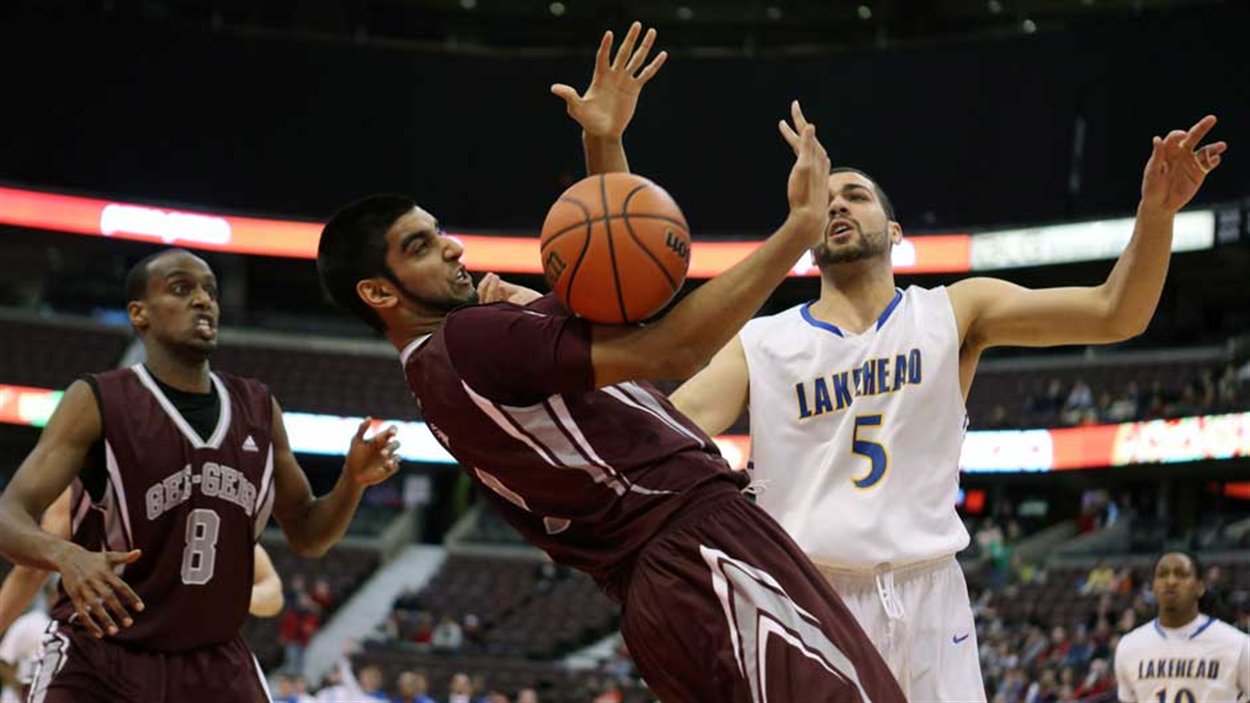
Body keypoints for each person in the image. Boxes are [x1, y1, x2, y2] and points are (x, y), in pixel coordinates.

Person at [316, 22, 903, 703]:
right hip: (696, 550)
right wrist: (796, 234)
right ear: (380, 291)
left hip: (672, 578)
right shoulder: (470, 340)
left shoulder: (450, 363)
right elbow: (671, 345)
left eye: (439, 232)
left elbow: (620, 269)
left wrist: (603, 139)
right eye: (420, 245)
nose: (450, 248)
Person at [665, 101, 1227, 699]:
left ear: (896, 232)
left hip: (932, 593)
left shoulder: (953, 312)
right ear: (806, 240)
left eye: (854, 195)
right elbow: (665, 430)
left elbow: (1117, 313)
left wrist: (1157, 214)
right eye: (823, 201)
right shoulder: (762, 342)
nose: (836, 205)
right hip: (810, 600)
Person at [0, 248, 401, 703]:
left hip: (213, 662)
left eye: (210, 290)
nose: (203, 300)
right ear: (140, 314)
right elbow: (9, 513)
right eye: (181, 289)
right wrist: (65, 555)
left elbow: (308, 535)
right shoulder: (97, 400)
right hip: (103, 655)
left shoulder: (258, 408)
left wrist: (351, 482)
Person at [1114, 552, 1249, 702]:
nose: (1171, 581)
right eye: (1162, 575)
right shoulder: (1129, 646)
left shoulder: (1238, 645)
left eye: (1181, 574)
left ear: (1200, 587)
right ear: (1153, 586)